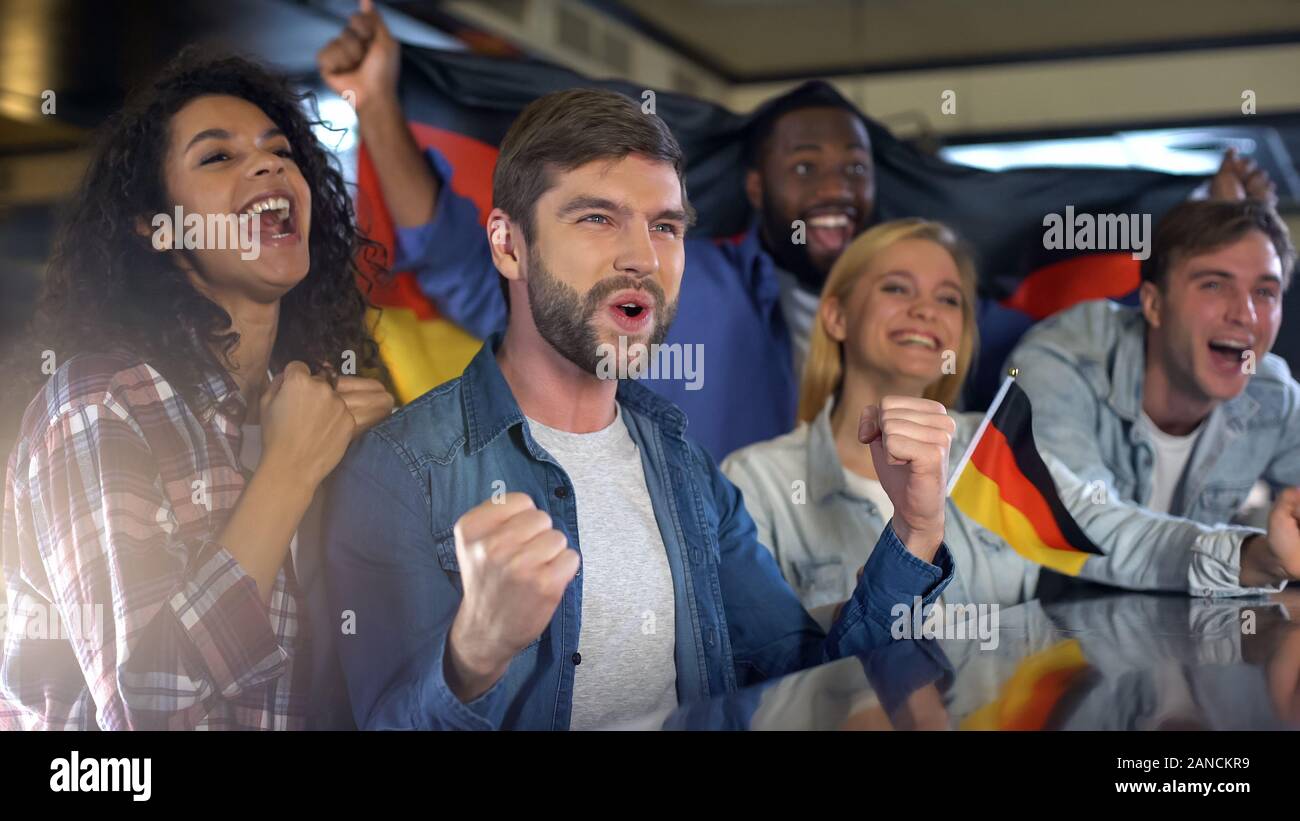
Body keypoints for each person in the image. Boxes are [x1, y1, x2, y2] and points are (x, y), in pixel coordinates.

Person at [316, 2, 1275, 462]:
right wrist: (383, 104)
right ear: (754, 185)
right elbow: (455, 256)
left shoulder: (927, 309)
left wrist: (1210, 232)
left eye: (854, 169)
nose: (834, 187)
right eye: (805, 166)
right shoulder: (668, 287)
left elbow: (1088, 338)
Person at [320, 87, 959, 731]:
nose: (644, 257)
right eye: (597, 218)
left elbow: (810, 689)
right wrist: (474, 654)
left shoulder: (689, 470)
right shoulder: (397, 470)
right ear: (509, 246)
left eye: (665, 226)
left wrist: (914, 530)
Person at [0, 51, 393, 730]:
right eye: (217, 157)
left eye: (280, 150)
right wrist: (291, 469)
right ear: (159, 231)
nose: (271, 165)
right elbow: (149, 715)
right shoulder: (97, 403)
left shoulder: (308, 411)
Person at [724, 218, 1300, 624]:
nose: (926, 310)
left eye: (950, 299)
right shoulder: (759, 482)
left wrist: (1258, 558)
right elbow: (760, 659)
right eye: (897, 289)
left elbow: (1116, 537)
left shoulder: (993, 445)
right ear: (837, 316)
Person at [1009, 199, 1300, 594]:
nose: (1245, 314)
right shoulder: (1067, 358)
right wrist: (1250, 558)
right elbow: (1075, 523)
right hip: (1048, 637)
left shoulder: (1272, 395)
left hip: (1182, 641)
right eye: (1214, 285)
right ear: (1153, 303)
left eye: (1265, 292)